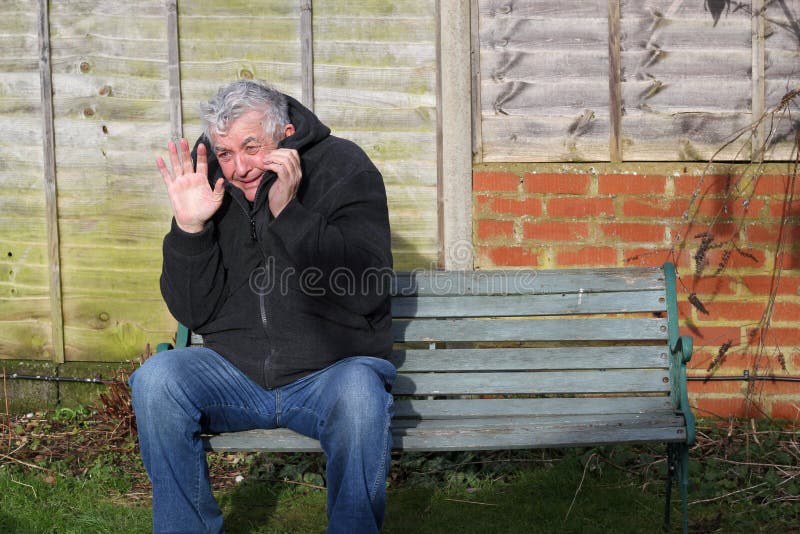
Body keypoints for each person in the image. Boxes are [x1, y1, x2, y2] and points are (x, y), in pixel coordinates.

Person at [129, 79, 395, 534]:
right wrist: (189, 229)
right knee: (156, 379)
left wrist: (290, 214)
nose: (239, 167)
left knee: (359, 393)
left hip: (329, 372)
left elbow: (367, 290)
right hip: (234, 374)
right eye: (226, 152)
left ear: (286, 133)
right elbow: (192, 311)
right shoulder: (208, 180)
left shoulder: (344, 168)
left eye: (251, 147)